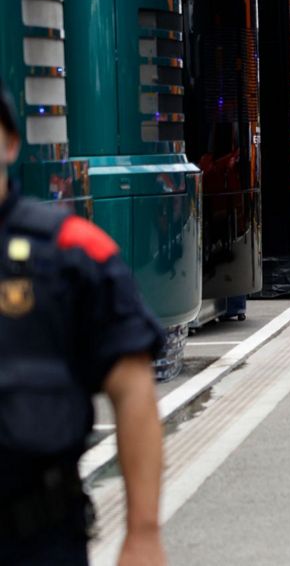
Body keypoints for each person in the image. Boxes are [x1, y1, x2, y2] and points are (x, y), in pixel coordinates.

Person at [0, 78, 167, 566]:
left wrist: (143, 533)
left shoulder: (73, 254)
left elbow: (132, 389)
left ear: (10, 143)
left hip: (35, 539)